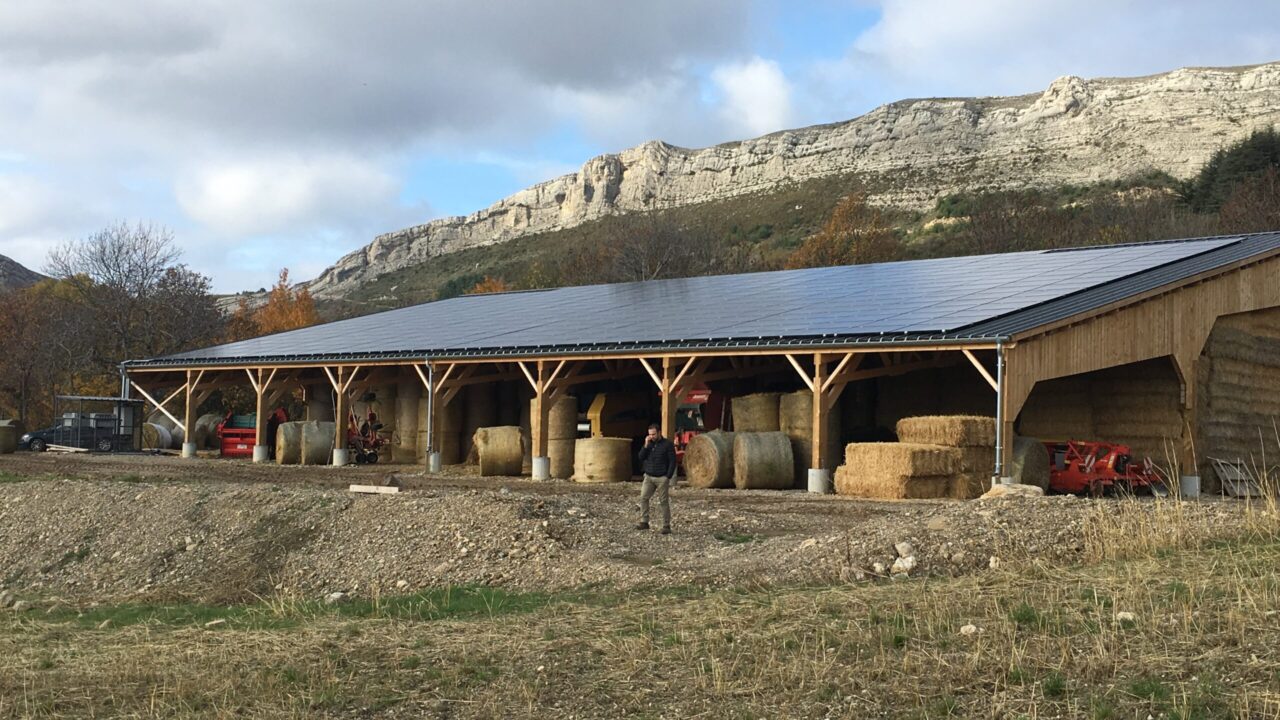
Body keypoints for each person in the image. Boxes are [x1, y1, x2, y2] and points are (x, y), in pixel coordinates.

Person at [636, 422, 677, 534]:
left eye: (654, 434)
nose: (652, 436)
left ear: (659, 433)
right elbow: (640, 457)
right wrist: (645, 445)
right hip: (649, 477)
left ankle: (666, 525)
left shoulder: (667, 444)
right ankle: (644, 522)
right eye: (650, 434)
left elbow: (673, 461)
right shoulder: (648, 444)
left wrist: (667, 476)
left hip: (661, 477)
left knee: (663, 501)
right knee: (643, 498)